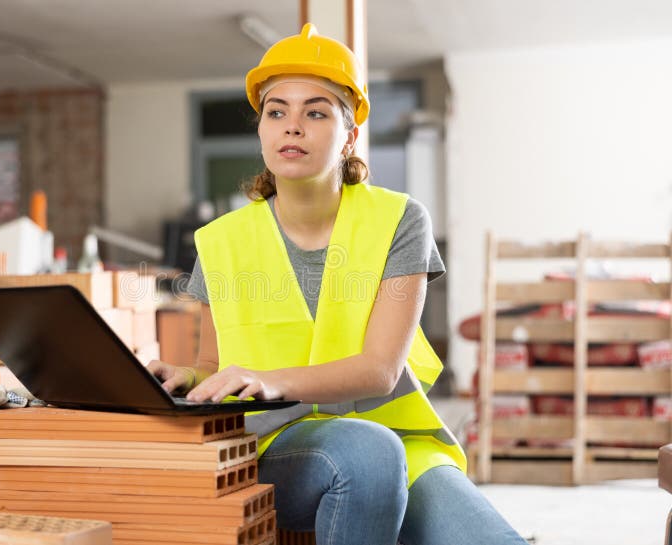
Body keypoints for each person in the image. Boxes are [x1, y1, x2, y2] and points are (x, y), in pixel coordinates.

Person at [148, 23, 527, 545]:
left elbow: (379, 370)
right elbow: (215, 366)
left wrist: (272, 378)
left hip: (400, 442)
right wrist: (186, 379)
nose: (292, 126)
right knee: (366, 455)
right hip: (269, 443)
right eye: (276, 111)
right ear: (261, 131)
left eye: (316, 112)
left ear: (350, 135)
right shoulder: (220, 242)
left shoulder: (399, 221)